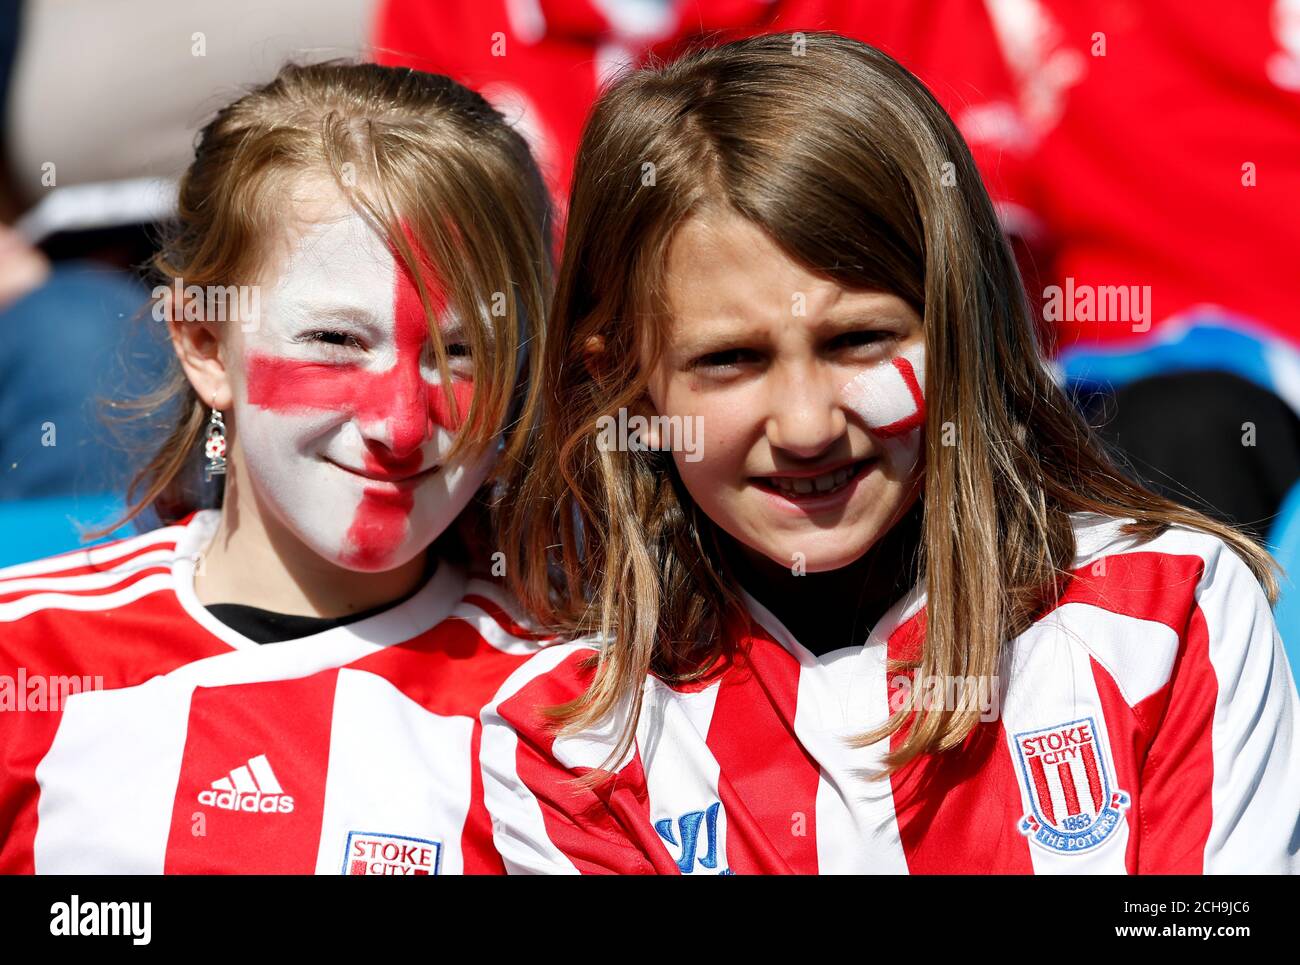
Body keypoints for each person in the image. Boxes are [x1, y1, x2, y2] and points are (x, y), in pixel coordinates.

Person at [482, 32, 1300, 874]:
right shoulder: (573, 748)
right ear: (626, 378)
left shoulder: (1173, 614)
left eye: (859, 340)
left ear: (964, 327)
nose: (805, 426)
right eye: (730, 359)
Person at [0, 61, 552, 874]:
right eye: (334, 341)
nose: (400, 425)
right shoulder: (26, 659)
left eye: (459, 353)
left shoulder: (572, 702)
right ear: (203, 345)